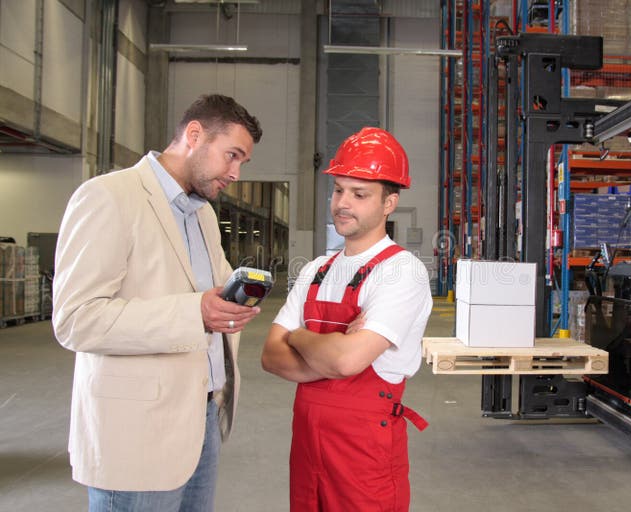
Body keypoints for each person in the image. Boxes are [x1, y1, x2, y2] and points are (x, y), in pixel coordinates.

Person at [52, 94, 262, 511]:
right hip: (136, 433)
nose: (235, 173)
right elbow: (76, 319)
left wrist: (232, 301)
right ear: (194, 135)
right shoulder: (109, 197)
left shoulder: (201, 213)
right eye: (231, 156)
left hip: (200, 417)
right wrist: (194, 311)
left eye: (242, 163)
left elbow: (212, 292)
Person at [261, 127, 432, 512]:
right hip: (306, 444)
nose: (343, 203)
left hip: (363, 452)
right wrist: (334, 346)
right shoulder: (317, 269)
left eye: (360, 194)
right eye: (339, 189)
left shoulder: (401, 272)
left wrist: (301, 337)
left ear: (389, 203)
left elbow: (346, 362)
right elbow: (270, 356)